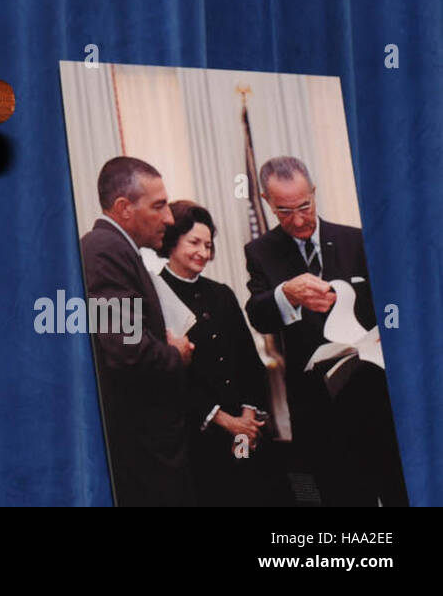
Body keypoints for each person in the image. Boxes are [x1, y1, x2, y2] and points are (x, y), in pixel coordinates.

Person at [243, 156, 407, 506]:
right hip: (317, 406)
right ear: (266, 202)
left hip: (373, 396)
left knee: (397, 490)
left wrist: (388, 334)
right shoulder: (261, 252)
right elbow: (258, 314)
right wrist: (284, 294)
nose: (299, 219)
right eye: (285, 211)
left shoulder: (355, 241)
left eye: (305, 205)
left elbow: (393, 305)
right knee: (340, 496)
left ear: (314, 192)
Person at [79, 156, 194, 506]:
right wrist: (176, 354)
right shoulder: (104, 252)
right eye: (158, 206)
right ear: (123, 208)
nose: (169, 218)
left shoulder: (116, 251)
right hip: (141, 452)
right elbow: (127, 350)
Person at [156, 201, 285, 505]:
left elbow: (249, 363)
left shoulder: (222, 294)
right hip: (198, 439)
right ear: (172, 242)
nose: (203, 252)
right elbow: (169, 377)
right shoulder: (156, 295)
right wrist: (226, 421)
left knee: (252, 492)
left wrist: (246, 423)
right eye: (194, 243)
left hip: (243, 434)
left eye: (208, 244)